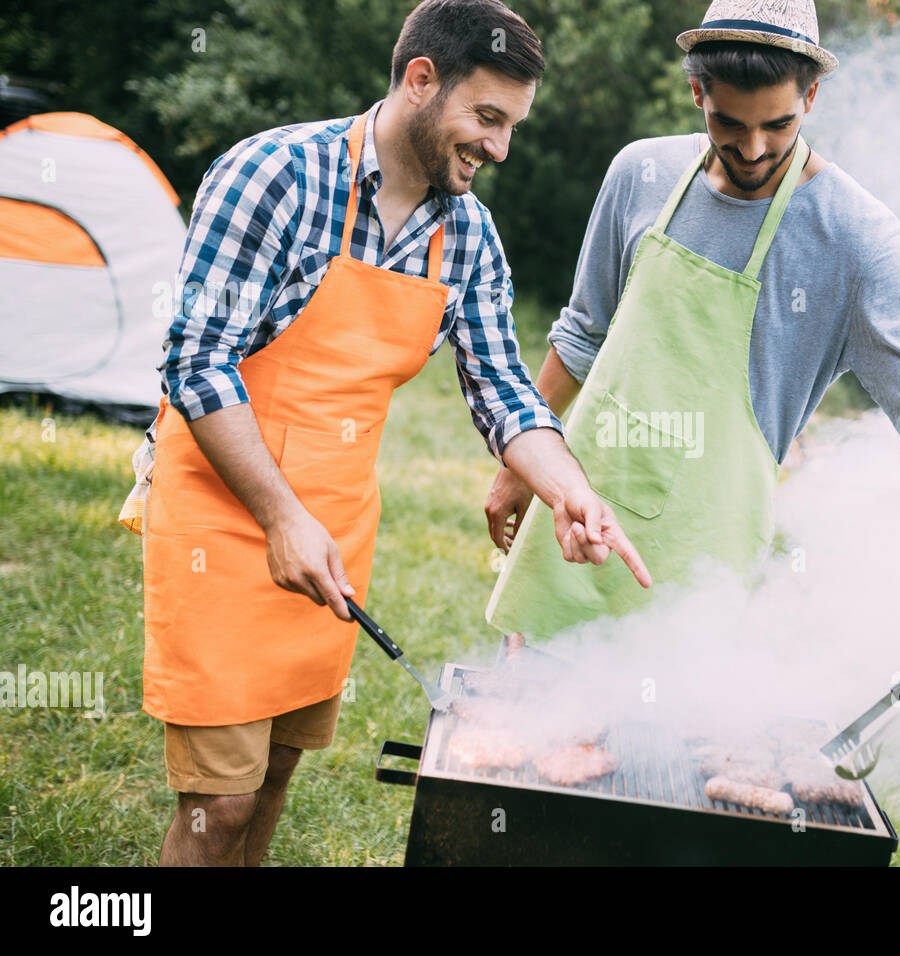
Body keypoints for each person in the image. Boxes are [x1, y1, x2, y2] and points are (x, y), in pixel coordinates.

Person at [121, 0, 649, 867]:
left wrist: (570, 490)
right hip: (224, 510)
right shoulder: (274, 174)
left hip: (334, 525)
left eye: (513, 125)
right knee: (223, 794)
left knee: (279, 770)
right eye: (487, 118)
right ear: (420, 80)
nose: (501, 148)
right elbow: (196, 365)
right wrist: (280, 516)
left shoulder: (467, 232)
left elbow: (505, 391)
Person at [484, 0, 900, 689]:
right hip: (572, 528)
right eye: (728, 124)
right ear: (697, 91)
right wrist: (520, 468)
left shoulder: (856, 237)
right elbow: (583, 336)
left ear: (812, 96)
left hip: (699, 576)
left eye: (779, 124)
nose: (755, 149)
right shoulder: (640, 175)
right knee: (528, 752)